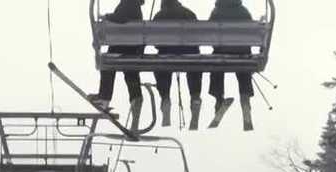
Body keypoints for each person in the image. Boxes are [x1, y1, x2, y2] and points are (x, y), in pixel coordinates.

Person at [90, 0, 145, 129]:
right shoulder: (136, 7)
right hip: (133, 50)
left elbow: (121, 19)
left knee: (107, 63)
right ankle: (136, 97)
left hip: (121, 47)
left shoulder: (127, 4)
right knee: (131, 73)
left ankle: (104, 97)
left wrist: (106, 17)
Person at [151, 0, 203, 129]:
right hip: (190, 54)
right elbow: (198, 39)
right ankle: (195, 98)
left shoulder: (159, 16)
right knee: (194, 66)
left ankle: (165, 98)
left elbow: (155, 43)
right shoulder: (190, 14)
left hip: (166, 54)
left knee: (161, 67)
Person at [207, 0, 256, 131]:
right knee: (244, 68)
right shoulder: (244, 11)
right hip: (242, 52)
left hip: (221, 51)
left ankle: (218, 100)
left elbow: (209, 33)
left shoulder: (216, 12)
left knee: (216, 66)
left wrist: (217, 46)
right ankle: (245, 101)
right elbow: (252, 34)